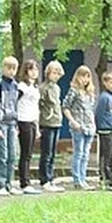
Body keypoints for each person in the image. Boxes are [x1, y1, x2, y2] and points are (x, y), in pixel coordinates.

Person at [62, 66, 96, 191]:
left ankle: (83, 178)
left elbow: (90, 110)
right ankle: (77, 180)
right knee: (79, 153)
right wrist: (73, 121)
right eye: (83, 76)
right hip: (78, 126)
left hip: (89, 126)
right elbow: (65, 107)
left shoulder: (90, 93)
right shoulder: (74, 91)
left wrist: (93, 123)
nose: (85, 79)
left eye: (87, 76)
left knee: (86, 154)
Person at [0, 56, 20, 196]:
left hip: (12, 123)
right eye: (8, 68)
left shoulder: (15, 85)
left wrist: (16, 123)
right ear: (3, 68)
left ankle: (10, 183)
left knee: (12, 155)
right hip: (2, 123)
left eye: (14, 68)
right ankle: (1, 184)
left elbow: (15, 104)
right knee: (3, 155)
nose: (11, 71)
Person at [38, 60, 65, 192]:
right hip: (46, 122)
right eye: (53, 72)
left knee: (53, 152)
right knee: (46, 152)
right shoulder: (43, 88)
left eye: (57, 73)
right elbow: (40, 105)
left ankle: (51, 177)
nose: (55, 75)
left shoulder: (57, 88)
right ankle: (44, 179)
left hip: (56, 121)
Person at [17, 59, 42, 194]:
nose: (34, 72)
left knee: (30, 153)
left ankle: (27, 180)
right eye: (31, 69)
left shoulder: (35, 87)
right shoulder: (22, 87)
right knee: (25, 152)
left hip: (32, 121)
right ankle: (24, 181)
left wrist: (37, 127)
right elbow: (15, 103)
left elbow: (36, 107)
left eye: (36, 69)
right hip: (23, 120)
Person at [92, 70, 112, 190]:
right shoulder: (104, 97)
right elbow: (99, 114)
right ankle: (104, 179)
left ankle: (111, 178)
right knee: (106, 157)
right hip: (105, 131)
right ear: (105, 83)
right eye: (110, 82)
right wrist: (99, 128)